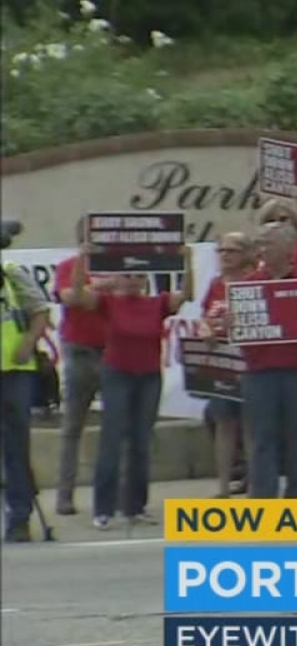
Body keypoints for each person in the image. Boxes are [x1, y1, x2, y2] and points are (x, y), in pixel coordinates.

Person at [68, 246, 194, 530]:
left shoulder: (157, 303)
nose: (134, 280)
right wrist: (82, 259)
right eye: (128, 275)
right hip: (117, 375)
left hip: (149, 376)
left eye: (139, 275)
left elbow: (185, 295)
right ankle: (103, 509)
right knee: (112, 441)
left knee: (140, 443)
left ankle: (135, 507)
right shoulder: (108, 303)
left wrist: (187, 260)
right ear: (118, 279)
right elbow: (77, 295)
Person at [234, 222, 297, 499]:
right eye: (259, 244)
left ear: (288, 249)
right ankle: (264, 499)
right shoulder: (247, 286)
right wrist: (229, 323)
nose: (261, 249)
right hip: (260, 373)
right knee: (262, 440)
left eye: (267, 244)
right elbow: (236, 331)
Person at [52, 216, 109, 516]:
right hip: (79, 351)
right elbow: (74, 298)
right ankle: (64, 495)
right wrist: (99, 284)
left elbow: (126, 294)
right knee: (72, 427)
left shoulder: (120, 265)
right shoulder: (67, 266)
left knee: (117, 427)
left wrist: (97, 286)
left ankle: (114, 494)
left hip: (112, 351)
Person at [198, 231, 255, 498]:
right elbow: (205, 316)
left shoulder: (255, 281)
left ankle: (256, 481)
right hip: (221, 361)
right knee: (223, 422)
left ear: (246, 254)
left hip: (250, 359)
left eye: (231, 251)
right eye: (221, 251)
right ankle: (223, 486)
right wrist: (205, 330)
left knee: (250, 424)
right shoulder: (215, 284)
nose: (225, 256)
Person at [2, 255, 50, 542]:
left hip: (14, 372)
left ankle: (19, 517)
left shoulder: (10, 274)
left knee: (16, 448)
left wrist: (28, 343)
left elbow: (40, 311)